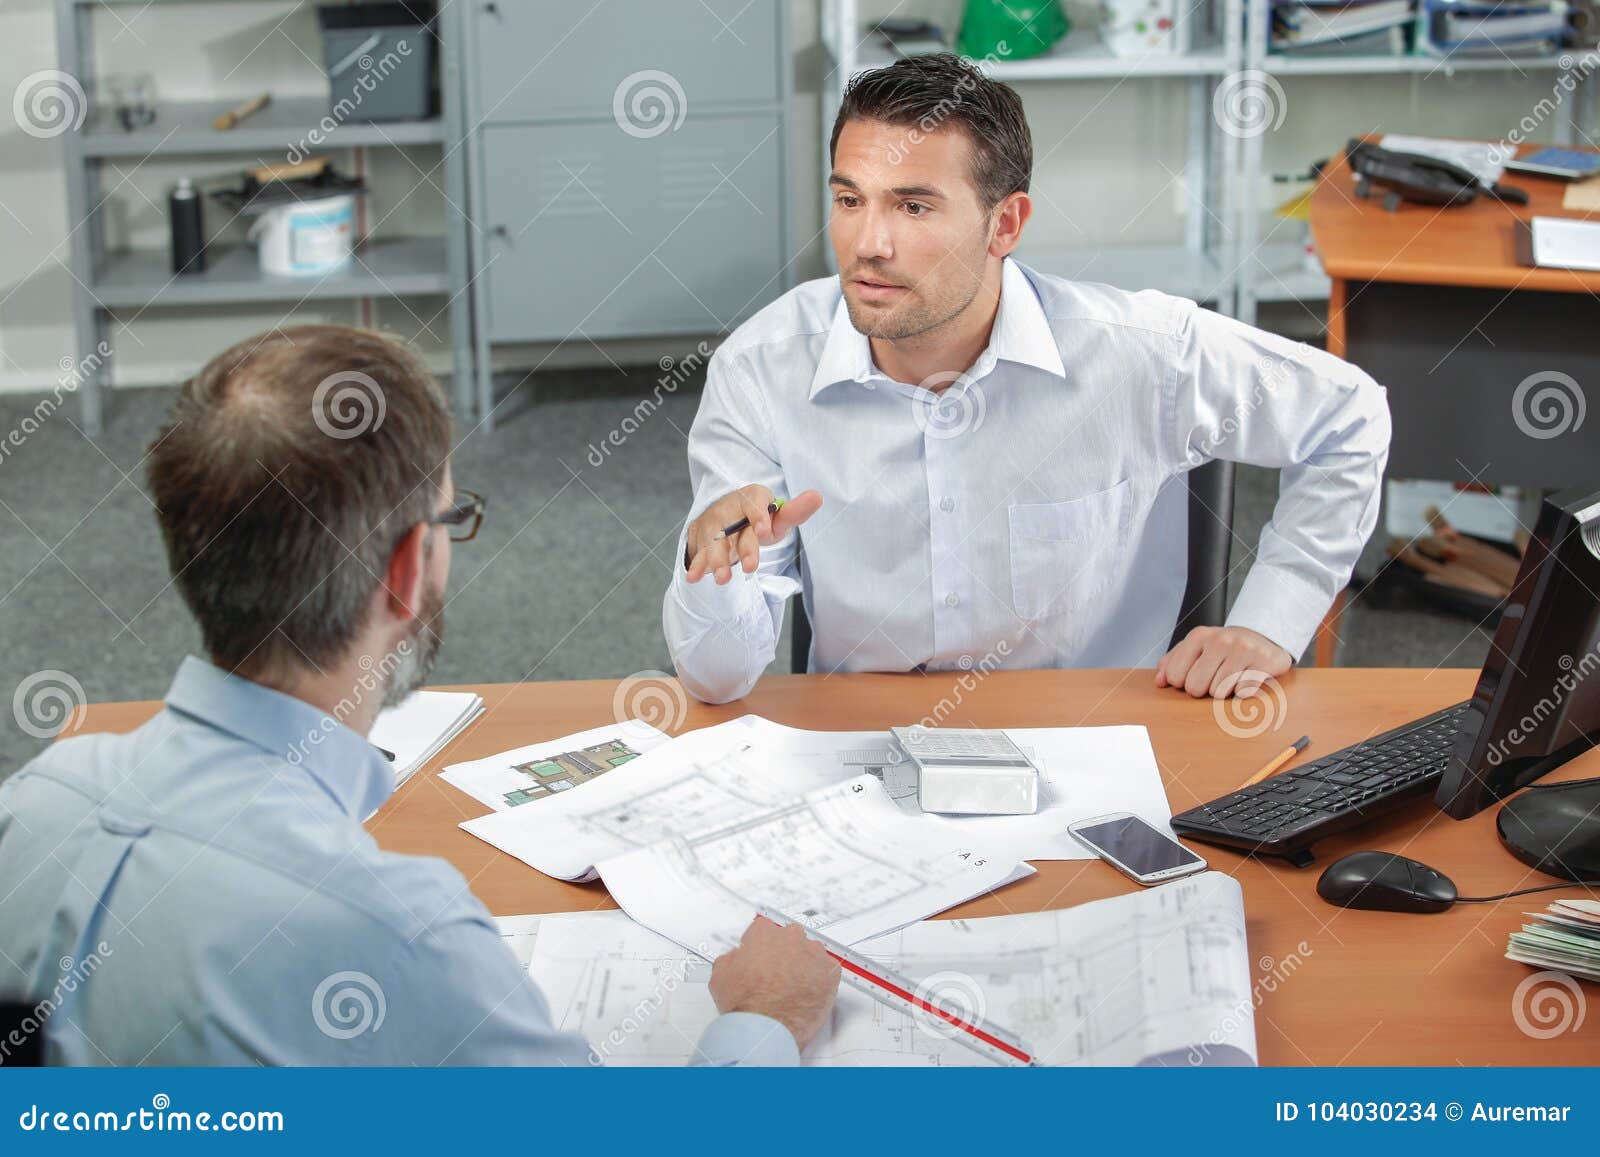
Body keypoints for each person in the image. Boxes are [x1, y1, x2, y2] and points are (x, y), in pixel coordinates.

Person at [0, 326, 838, 1066]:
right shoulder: (401, 934)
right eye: (451, 518)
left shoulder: (33, 802)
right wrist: (765, 1020)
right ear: (407, 571)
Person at [665, 54, 1390, 706]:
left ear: (1005, 225)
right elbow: (716, 679)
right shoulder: (763, 367)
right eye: (851, 200)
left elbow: (1349, 415)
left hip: (1090, 743)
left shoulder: (1137, 353)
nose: (868, 244)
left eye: (912, 206)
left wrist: (1271, 623)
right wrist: (711, 569)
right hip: (861, 755)